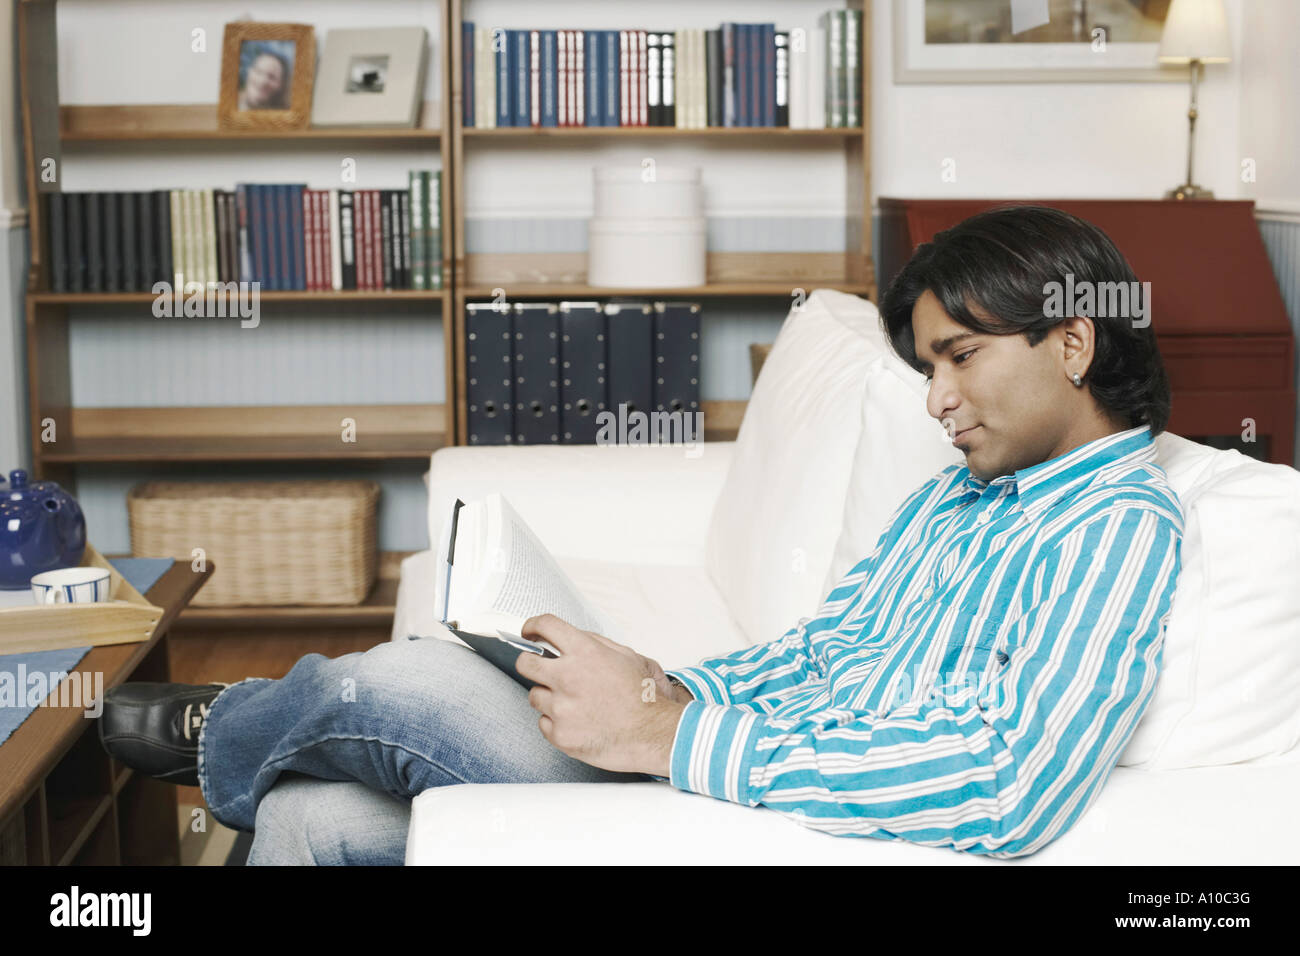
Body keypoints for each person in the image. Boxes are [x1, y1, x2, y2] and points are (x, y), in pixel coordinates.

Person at [99, 205, 1183, 864]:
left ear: (1073, 342)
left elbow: (1006, 782)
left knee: (399, 684)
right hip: (723, 761)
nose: (938, 397)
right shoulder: (964, 495)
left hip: (772, 814)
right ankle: (244, 749)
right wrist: (662, 685)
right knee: (312, 815)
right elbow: (822, 649)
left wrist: (669, 737)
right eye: (928, 364)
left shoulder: (1114, 526)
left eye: (962, 356)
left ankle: (214, 730)